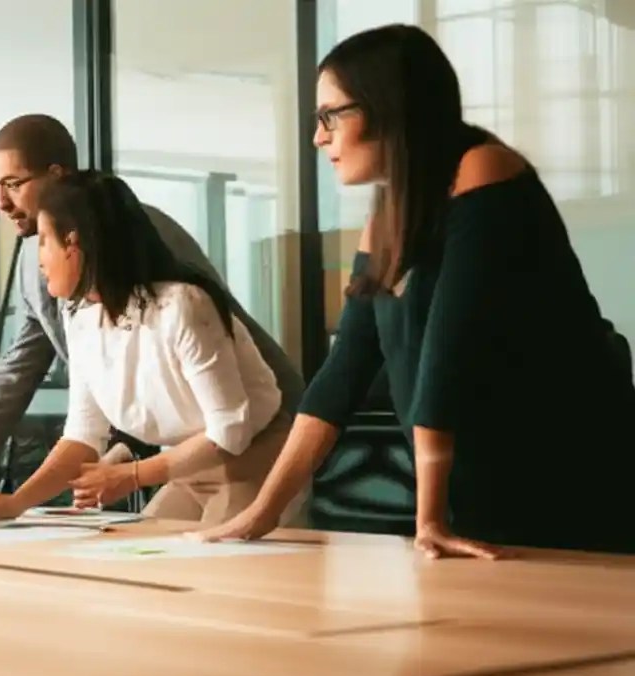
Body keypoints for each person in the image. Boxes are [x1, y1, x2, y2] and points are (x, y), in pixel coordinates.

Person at [193, 24, 635, 557]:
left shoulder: (484, 171)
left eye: (330, 115)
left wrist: (428, 518)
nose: (318, 137)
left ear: (387, 106)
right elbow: (343, 372)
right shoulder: (387, 219)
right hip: (480, 498)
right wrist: (262, 512)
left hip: (573, 477)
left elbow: (450, 351)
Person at [0, 114, 305, 509]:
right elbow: (20, 370)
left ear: (57, 176)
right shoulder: (51, 280)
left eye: (13, 184)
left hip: (250, 427)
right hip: (178, 445)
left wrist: (135, 465)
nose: (0, 202)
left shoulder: (136, 242)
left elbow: (184, 349)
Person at [0, 172, 299, 524]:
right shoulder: (82, 322)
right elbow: (82, 437)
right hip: (185, 470)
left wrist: (131, 477)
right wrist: (16, 503)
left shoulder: (183, 306)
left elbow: (230, 430)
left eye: (44, 240)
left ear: (72, 243)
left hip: (257, 463)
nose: (40, 259)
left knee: (210, 568)